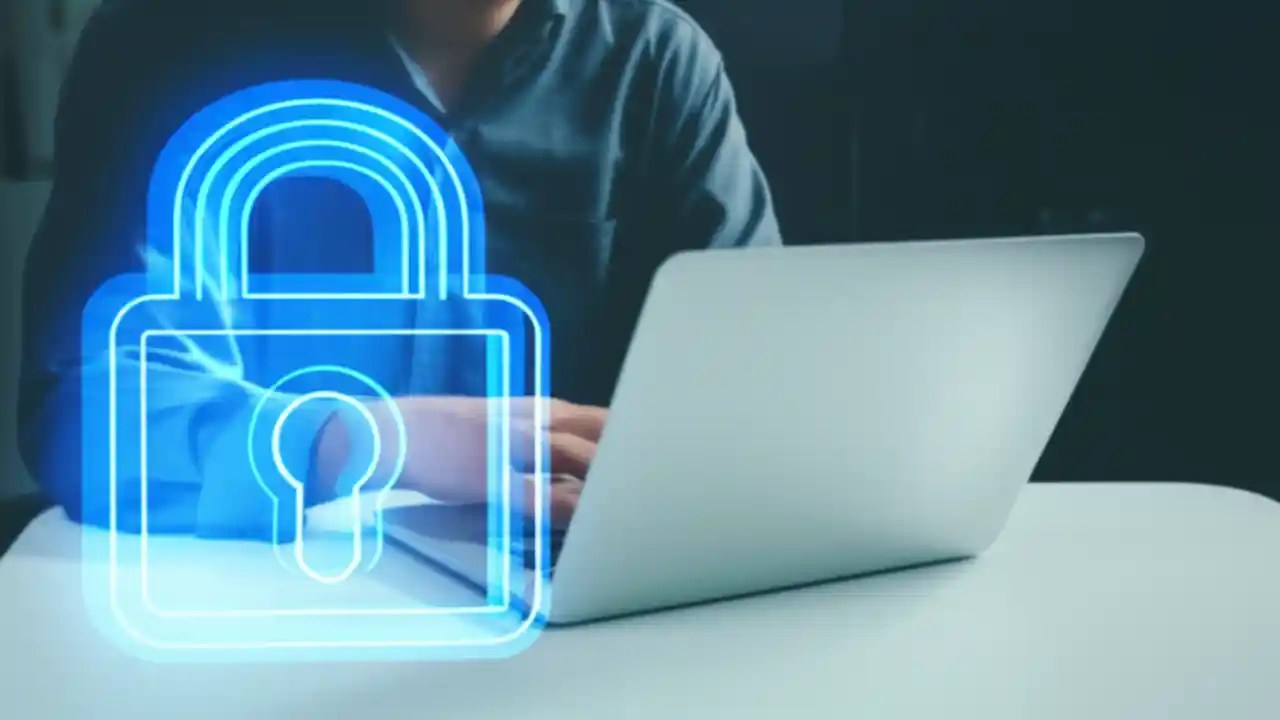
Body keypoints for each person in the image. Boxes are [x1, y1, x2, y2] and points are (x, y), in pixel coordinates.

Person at [18, 0, 781, 539]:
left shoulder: (655, 60)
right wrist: (357, 440)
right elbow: (83, 407)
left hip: (572, 607)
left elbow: (763, 388)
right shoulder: (164, 42)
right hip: (264, 618)